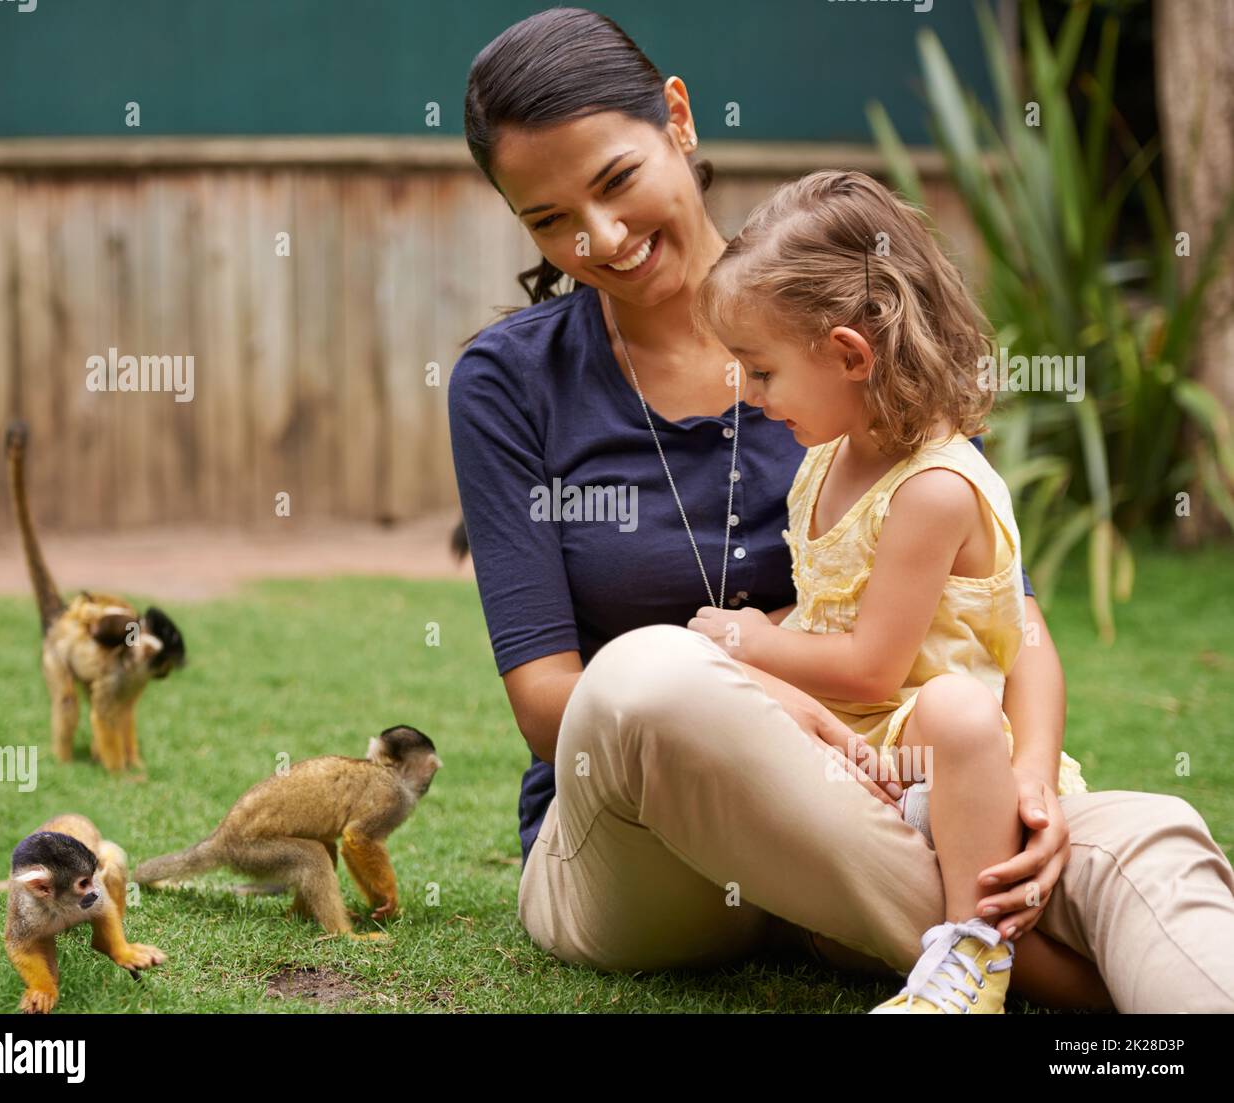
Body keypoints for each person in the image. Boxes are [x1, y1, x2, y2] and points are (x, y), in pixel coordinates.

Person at [448, 7, 1234, 1012]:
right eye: (546, 219)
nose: (595, 238)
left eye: (612, 182)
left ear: (677, 120)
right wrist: (796, 719)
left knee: (1149, 845)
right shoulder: (507, 382)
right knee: (650, 672)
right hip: (646, 854)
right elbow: (554, 705)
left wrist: (1028, 778)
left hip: (895, 789)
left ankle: (987, 945)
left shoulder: (848, 310)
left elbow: (1011, 617)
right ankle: (1028, 971)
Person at [685, 169, 1095, 1013]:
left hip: (938, 755)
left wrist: (752, 640)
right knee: (694, 673)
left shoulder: (935, 487)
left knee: (957, 709)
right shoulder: (826, 458)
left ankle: (972, 959)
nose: (749, 395)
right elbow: (829, 613)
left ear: (848, 353)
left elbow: (875, 667)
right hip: (857, 744)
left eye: (760, 371)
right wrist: (741, 642)